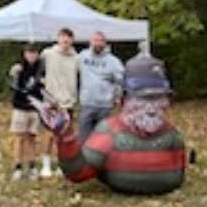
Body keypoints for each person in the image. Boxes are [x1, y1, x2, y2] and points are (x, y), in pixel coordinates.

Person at [33, 51, 186, 196]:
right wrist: (66, 135)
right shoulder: (109, 133)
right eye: (142, 99)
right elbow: (78, 173)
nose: (152, 108)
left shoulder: (171, 135)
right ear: (123, 100)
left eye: (158, 99)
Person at [38, 27, 78, 177]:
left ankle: (62, 164)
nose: (65, 41)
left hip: (68, 103)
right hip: (51, 102)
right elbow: (34, 65)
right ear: (58, 38)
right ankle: (46, 166)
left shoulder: (76, 58)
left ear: (72, 40)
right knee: (49, 135)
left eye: (69, 38)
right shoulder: (48, 54)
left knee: (64, 136)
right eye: (63, 37)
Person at [77, 31, 124, 141]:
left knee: (103, 140)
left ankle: (101, 158)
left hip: (105, 107)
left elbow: (122, 79)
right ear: (90, 42)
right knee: (84, 139)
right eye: (95, 40)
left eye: (101, 41)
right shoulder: (82, 56)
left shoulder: (113, 61)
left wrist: (117, 96)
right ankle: (84, 158)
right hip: (86, 104)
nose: (98, 43)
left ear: (105, 43)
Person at [8, 43, 44, 181]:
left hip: (35, 108)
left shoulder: (40, 69)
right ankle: (17, 166)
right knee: (19, 137)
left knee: (32, 138)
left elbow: (42, 87)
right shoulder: (18, 68)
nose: (32, 56)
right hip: (20, 108)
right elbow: (12, 84)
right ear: (24, 54)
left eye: (34, 53)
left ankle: (32, 166)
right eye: (29, 53)